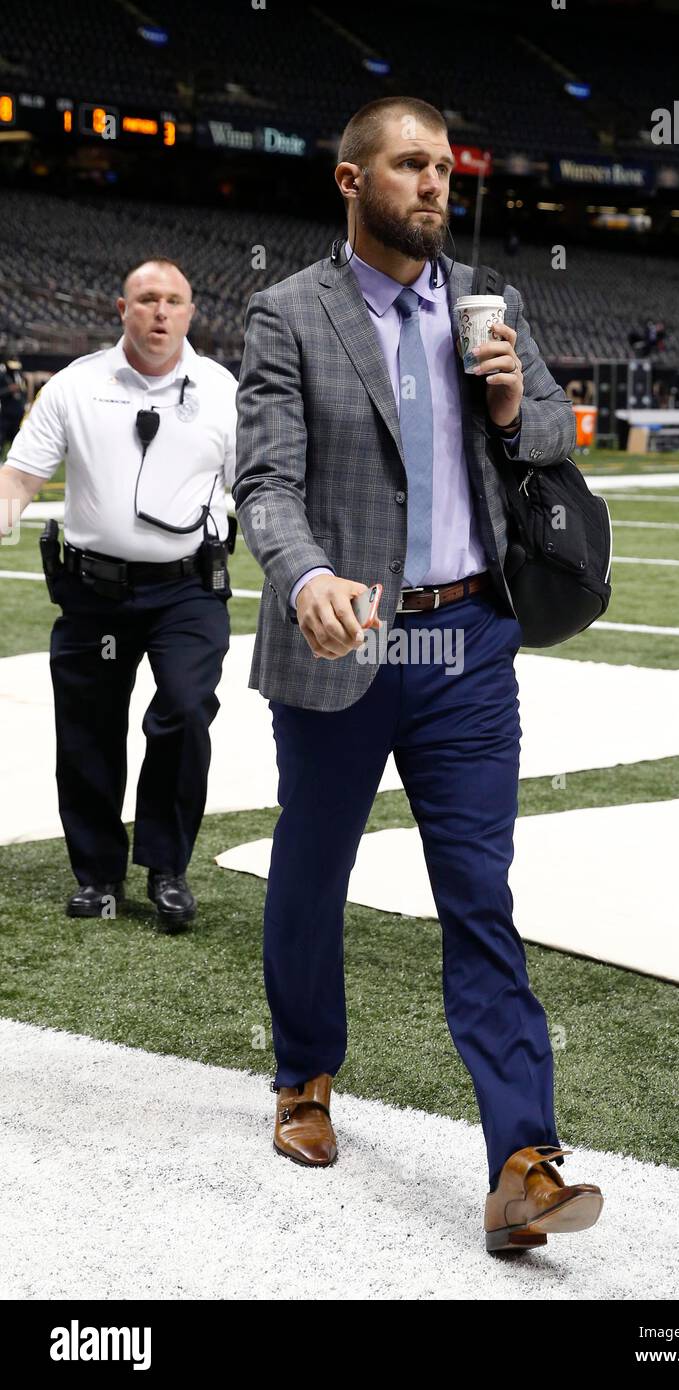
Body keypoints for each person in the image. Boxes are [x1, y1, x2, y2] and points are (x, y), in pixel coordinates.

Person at [234, 95, 604, 1252]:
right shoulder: (285, 313)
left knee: (479, 894)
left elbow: (550, 430)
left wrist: (508, 404)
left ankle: (522, 1160)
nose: (434, 183)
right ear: (352, 182)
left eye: (442, 166)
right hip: (346, 637)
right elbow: (265, 483)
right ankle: (303, 1075)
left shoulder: (493, 306)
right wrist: (304, 582)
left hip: (466, 644)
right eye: (409, 165)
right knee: (311, 870)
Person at [0, 259, 237, 927]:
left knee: (185, 711)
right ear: (122, 309)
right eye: (146, 299)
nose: (160, 311)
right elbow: (20, 477)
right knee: (87, 731)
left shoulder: (221, 390)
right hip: (93, 593)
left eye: (174, 300)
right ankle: (98, 875)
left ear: (191, 313)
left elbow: (258, 485)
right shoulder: (75, 387)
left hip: (187, 590)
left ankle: (167, 868)